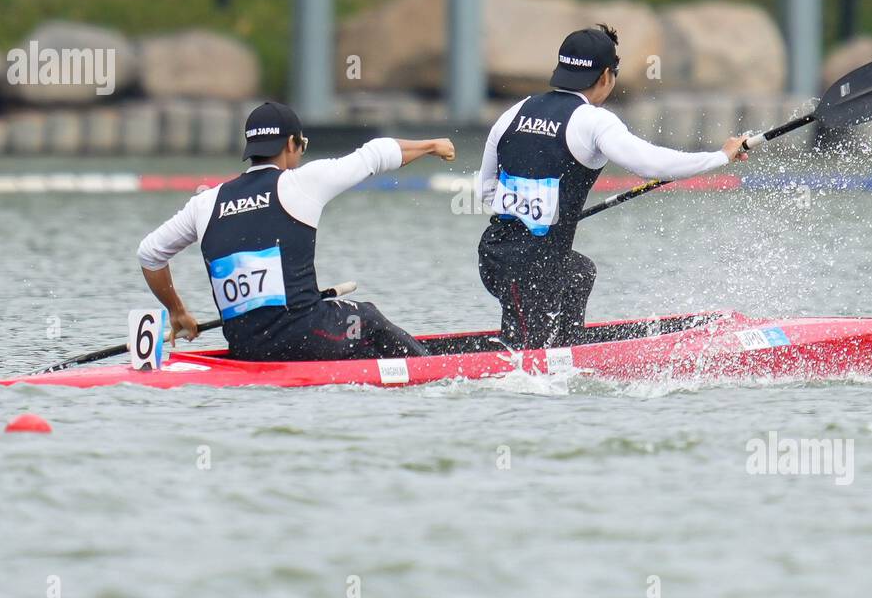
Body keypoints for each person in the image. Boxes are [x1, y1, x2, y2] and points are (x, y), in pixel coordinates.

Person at [476, 23, 753, 349]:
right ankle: (546, 355)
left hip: (494, 255)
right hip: (532, 271)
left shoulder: (514, 111)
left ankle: (567, 348)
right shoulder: (593, 121)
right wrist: (719, 157)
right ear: (607, 76)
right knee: (522, 369)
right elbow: (650, 164)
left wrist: (539, 217)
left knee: (578, 272)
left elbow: (486, 191)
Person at [137, 101, 455, 361]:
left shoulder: (205, 202)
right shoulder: (301, 182)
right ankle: (432, 368)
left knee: (351, 332)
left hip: (245, 349)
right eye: (301, 145)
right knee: (367, 319)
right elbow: (374, 155)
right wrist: (431, 146)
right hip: (304, 338)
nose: (300, 153)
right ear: (291, 143)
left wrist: (177, 311)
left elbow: (150, 254)